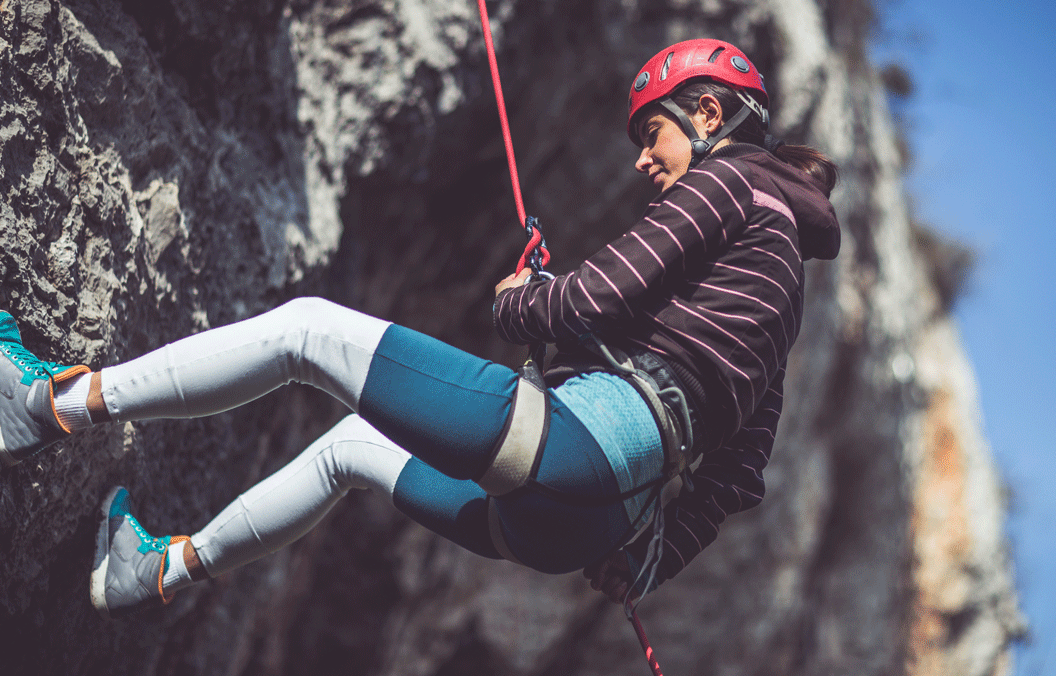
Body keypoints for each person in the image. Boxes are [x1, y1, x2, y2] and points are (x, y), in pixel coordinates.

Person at [0, 39, 840, 618]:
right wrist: (643, 564)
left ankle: (45, 404)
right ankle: (151, 573)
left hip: (578, 446)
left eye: (651, 133)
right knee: (348, 450)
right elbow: (738, 472)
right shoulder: (784, 290)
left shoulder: (728, 186)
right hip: (584, 523)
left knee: (307, 330)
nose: (641, 161)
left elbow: (587, 302)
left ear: (707, 111)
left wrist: (522, 297)